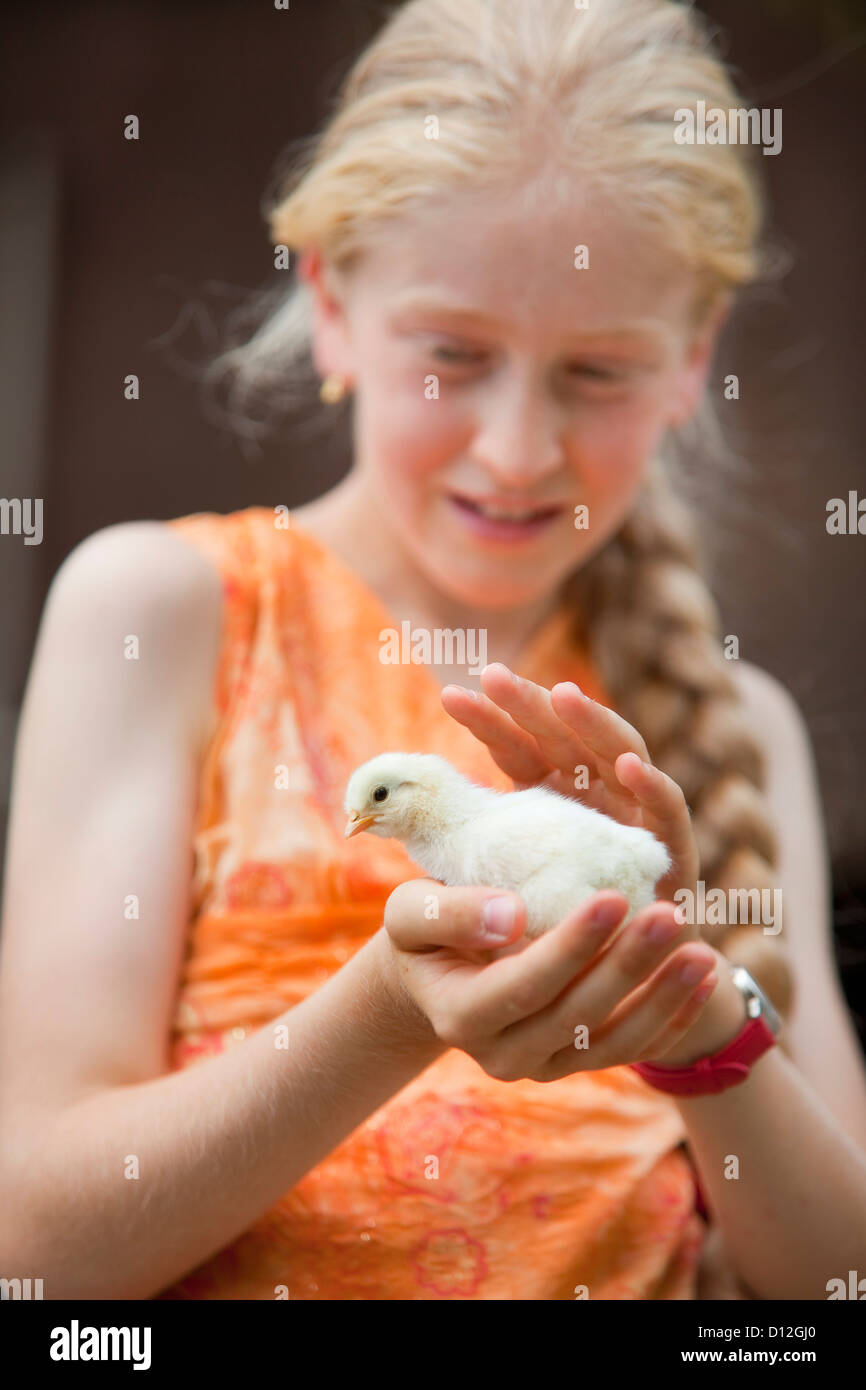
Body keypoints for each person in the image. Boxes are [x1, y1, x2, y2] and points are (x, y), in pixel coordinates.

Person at [2, 0, 865, 1302]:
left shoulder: (730, 717)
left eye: (596, 372)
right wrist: (390, 1012)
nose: (516, 449)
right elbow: (39, 1243)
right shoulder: (167, 610)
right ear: (334, 304)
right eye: (453, 354)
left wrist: (701, 1028)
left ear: (692, 360)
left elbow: (834, 1279)